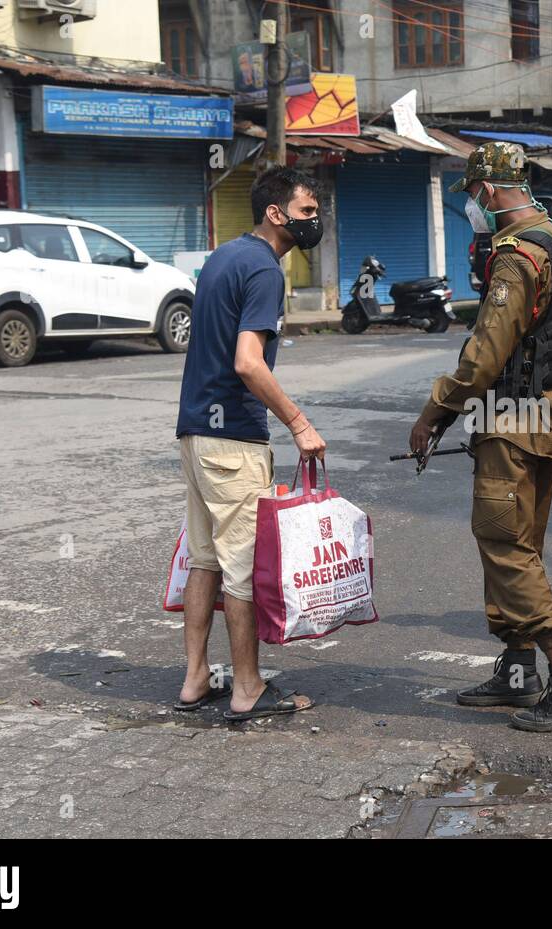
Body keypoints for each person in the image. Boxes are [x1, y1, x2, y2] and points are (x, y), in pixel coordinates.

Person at [408, 141, 552, 732]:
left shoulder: (517, 257)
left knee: (505, 545)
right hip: (546, 414)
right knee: (522, 540)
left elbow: (483, 357)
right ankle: (518, 671)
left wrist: (433, 414)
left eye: (472, 194)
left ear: (489, 191)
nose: (472, 205)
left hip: (512, 419)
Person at [175, 166, 327, 722]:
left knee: (205, 561)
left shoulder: (223, 256)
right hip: (232, 439)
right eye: (307, 212)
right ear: (276, 213)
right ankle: (246, 687)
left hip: (194, 432)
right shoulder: (265, 270)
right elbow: (247, 361)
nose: (315, 222)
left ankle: (195, 678)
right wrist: (298, 422)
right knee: (240, 567)